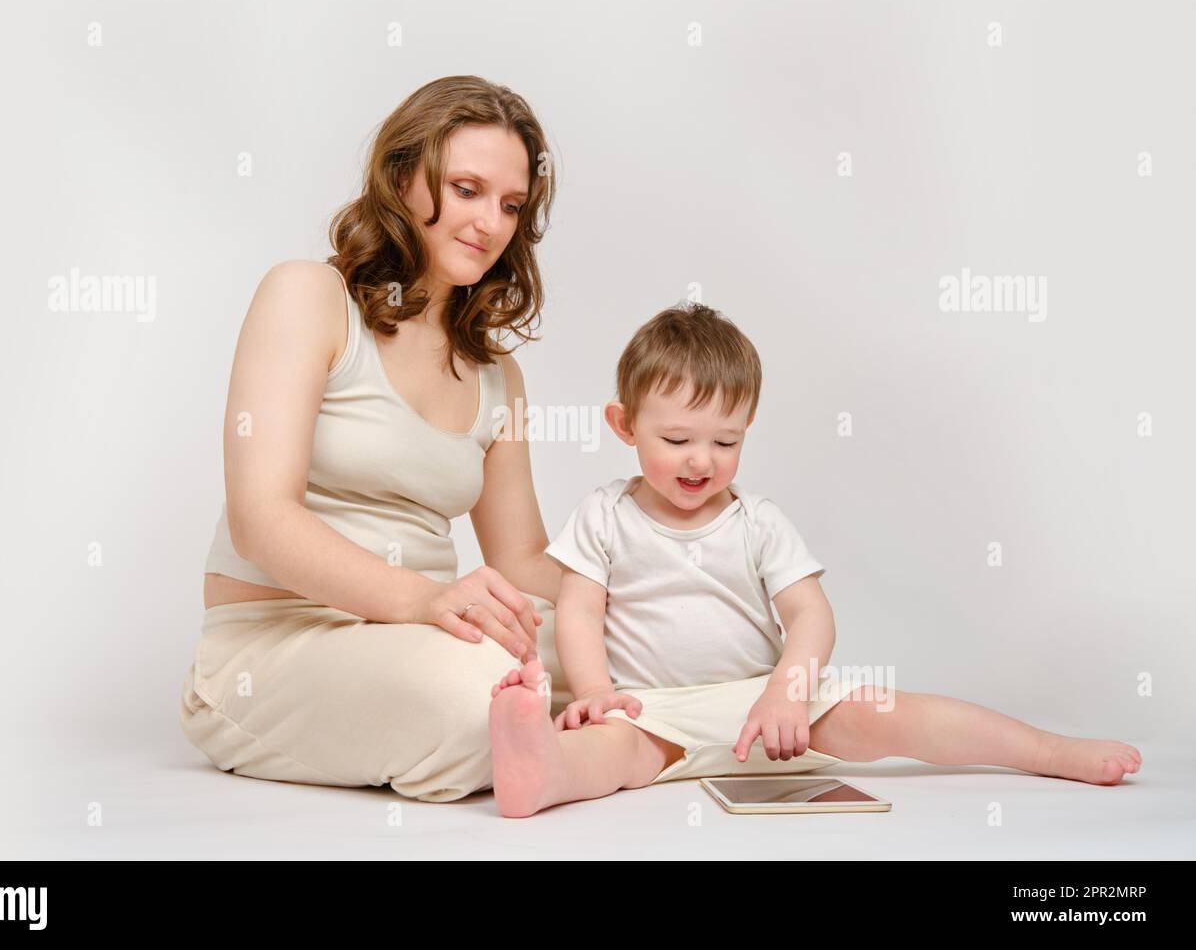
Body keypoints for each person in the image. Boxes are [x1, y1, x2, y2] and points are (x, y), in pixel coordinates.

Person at [486, 302, 1144, 818]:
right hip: (657, 715)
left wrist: (788, 691)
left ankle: (1047, 750)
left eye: (726, 440)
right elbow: (577, 608)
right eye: (677, 438)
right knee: (612, 753)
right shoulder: (603, 515)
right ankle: (542, 773)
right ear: (624, 425)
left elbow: (810, 616)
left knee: (890, 713)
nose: (701, 460)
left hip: (771, 711)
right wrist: (599, 695)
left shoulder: (758, 521)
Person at [179, 75, 576, 802]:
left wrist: (640, 589)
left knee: (631, 643)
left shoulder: (498, 374)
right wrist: (425, 601)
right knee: (482, 691)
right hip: (278, 647)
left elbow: (519, 558)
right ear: (402, 176)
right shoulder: (306, 296)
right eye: (466, 189)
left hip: (424, 634)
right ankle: (601, 746)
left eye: (512, 205)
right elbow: (261, 518)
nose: (490, 221)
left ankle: (680, 732)